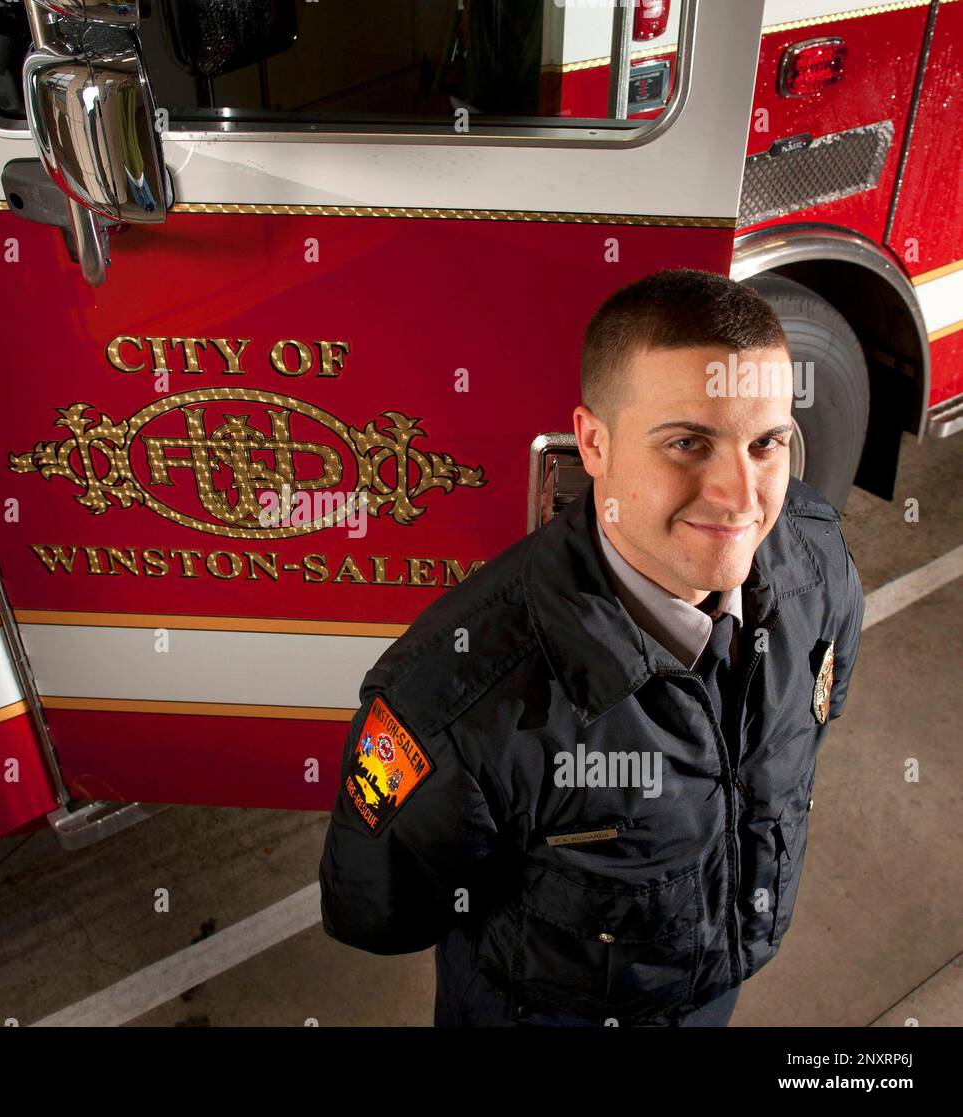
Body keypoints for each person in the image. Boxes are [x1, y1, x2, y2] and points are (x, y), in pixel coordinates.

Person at [318, 268, 865, 1027]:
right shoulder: (455, 700)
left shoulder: (816, 558)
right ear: (594, 443)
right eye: (686, 442)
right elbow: (377, 911)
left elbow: (819, 711)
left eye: (768, 442)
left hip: (712, 999)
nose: (742, 498)